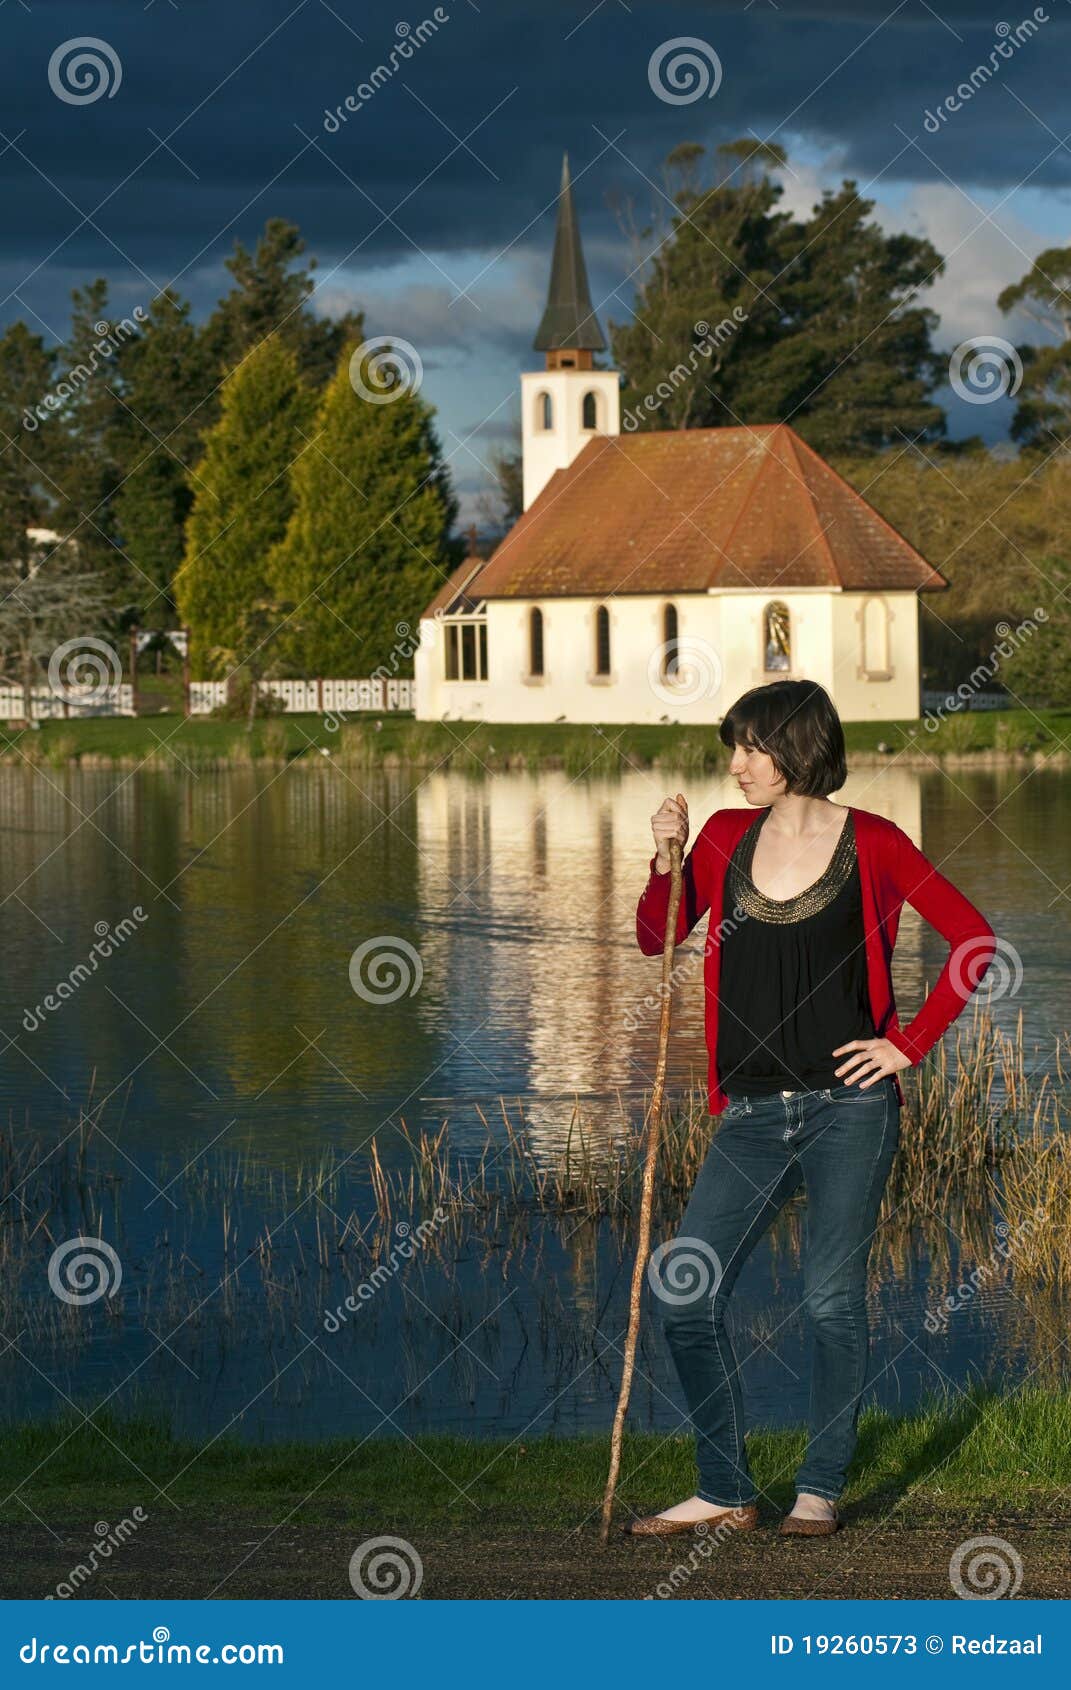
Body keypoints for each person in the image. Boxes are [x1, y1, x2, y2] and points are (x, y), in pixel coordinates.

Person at [626, 679, 997, 1538]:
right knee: (684, 1297)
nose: (736, 765)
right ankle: (724, 1489)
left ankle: (818, 1490)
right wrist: (665, 860)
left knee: (831, 1300)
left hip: (849, 1112)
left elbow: (973, 940)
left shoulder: (875, 843)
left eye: (751, 747)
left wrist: (906, 1045)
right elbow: (658, 936)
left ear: (796, 749)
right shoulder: (723, 837)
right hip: (750, 1114)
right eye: (734, 748)